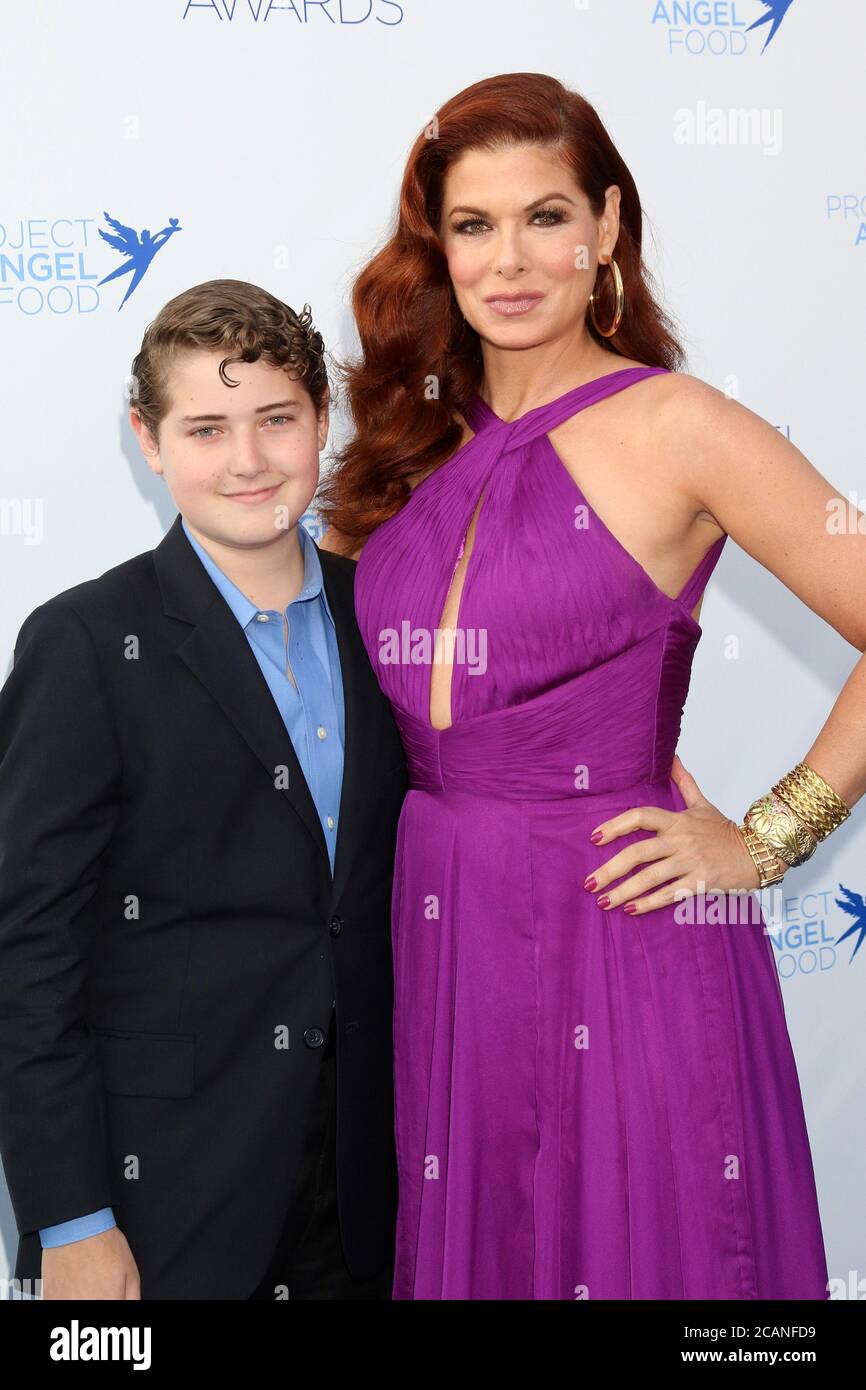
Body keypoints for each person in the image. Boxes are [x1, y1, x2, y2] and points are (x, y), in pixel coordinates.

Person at [319, 73, 866, 1299]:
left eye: (546, 216)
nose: (509, 260)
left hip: (621, 924)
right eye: (472, 225)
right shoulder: (409, 441)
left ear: (606, 228)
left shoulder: (678, 426)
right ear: (436, 244)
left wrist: (771, 837)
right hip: (442, 926)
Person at [0, 279, 408, 1299]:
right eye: (206, 427)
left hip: (367, 1184)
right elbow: (27, 949)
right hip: (159, 1196)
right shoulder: (86, 642)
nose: (246, 460)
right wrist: (73, 1217)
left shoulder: (388, 620)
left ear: (322, 418)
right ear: (148, 438)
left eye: (276, 419)